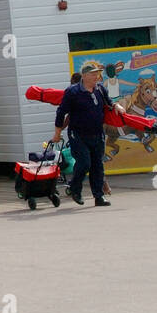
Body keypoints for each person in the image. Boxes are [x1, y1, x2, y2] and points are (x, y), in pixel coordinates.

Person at [52, 60, 113, 207]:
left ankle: (99, 196)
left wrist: (117, 106)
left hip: (97, 134)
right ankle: (75, 189)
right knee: (84, 163)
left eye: (97, 74)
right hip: (78, 134)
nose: (96, 77)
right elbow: (61, 112)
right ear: (84, 76)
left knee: (97, 166)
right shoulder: (73, 92)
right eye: (93, 74)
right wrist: (57, 133)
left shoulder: (100, 90)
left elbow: (109, 103)